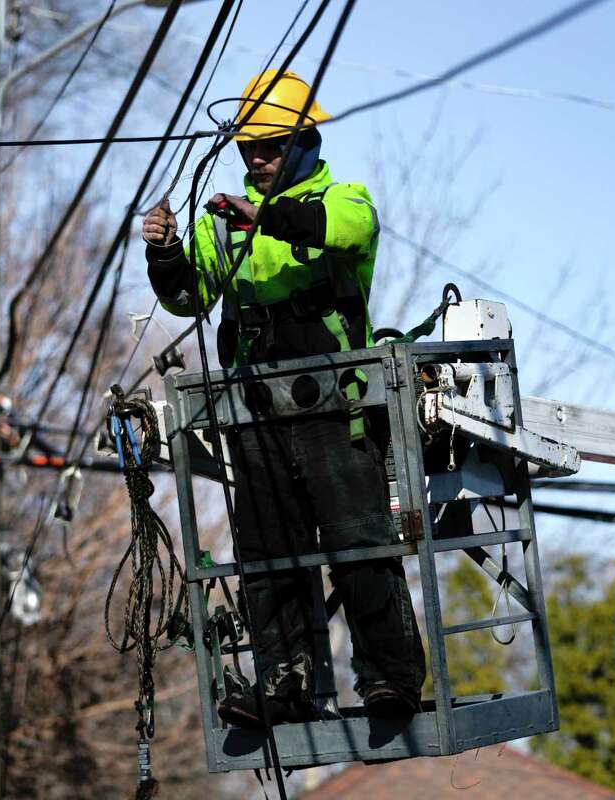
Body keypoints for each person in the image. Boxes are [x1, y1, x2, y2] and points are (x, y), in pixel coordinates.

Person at [141, 70, 425, 727]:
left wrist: (262, 216)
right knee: (270, 559)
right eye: (249, 149)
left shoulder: (345, 200)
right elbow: (191, 298)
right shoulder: (222, 227)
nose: (258, 159)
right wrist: (167, 255)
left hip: (336, 413)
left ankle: (389, 678)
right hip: (257, 415)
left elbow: (345, 232)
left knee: (359, 546)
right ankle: (284, 683)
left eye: (271, 146)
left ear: (304, 141)